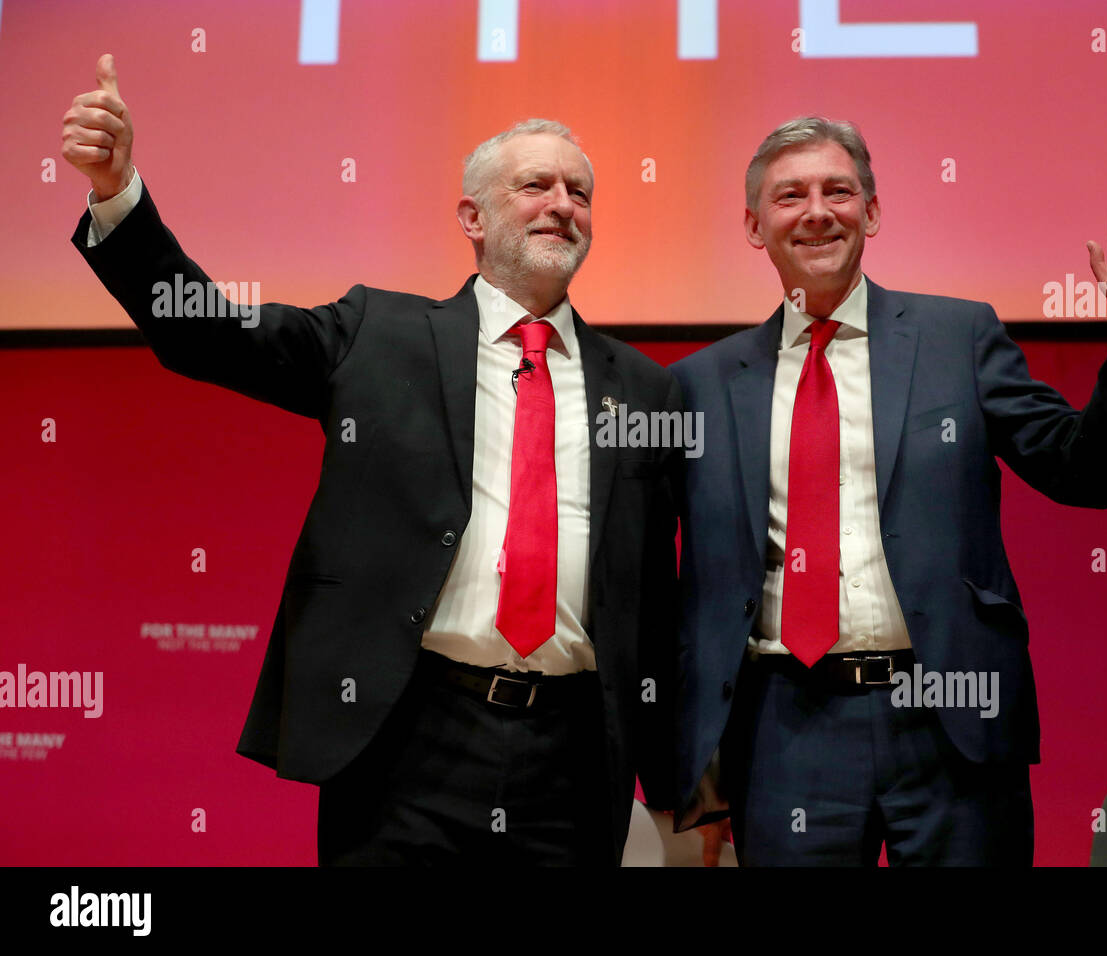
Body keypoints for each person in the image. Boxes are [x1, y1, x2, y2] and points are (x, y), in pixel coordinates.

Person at [63, 53, 682, 866]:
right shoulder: (378, 335)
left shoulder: (646, 392)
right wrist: (119, 196)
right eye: (536, 186)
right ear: (472, 216)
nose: (562, 205)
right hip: (406, 739)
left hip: (574, 758)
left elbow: (663, 606)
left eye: (580, 193)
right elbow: (204, 332)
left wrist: (683, 787)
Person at [668, 116, 1107, 866]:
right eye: (791, 196)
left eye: (838, 191)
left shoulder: (958, 337)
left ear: (872, 213)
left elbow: (1086, 472)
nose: (817, 210)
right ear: (755, 227)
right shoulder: (700, 383)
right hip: (785, 729)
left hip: (951, 711)